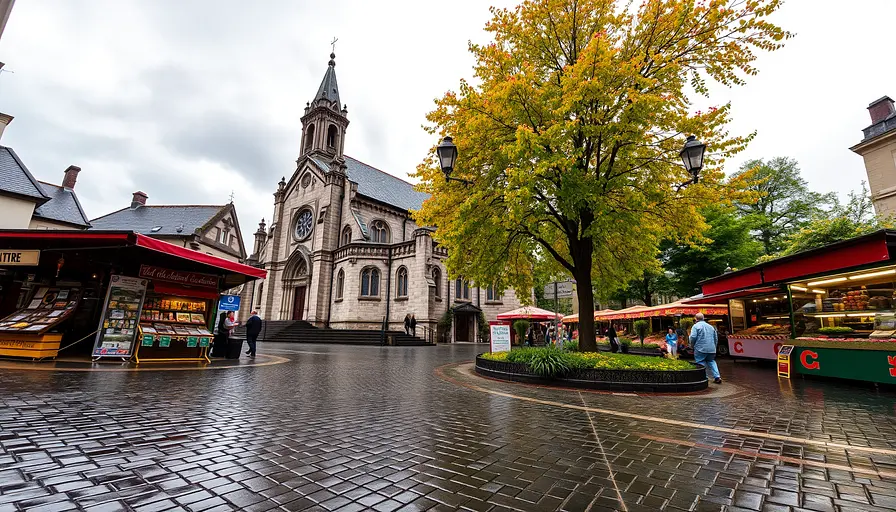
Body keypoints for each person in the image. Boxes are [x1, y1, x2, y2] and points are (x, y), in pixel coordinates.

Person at [690, 312, 721, 384]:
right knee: (711, 361)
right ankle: (717, 376)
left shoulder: (695, 326)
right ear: (703, 318)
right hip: (712, 348)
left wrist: (692, 345)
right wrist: (714, 346)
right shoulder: (711, 327)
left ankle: (705, 377)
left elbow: (693, 337)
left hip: (700, 348)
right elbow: (715, 338)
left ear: (696, 319)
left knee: (700, 361)